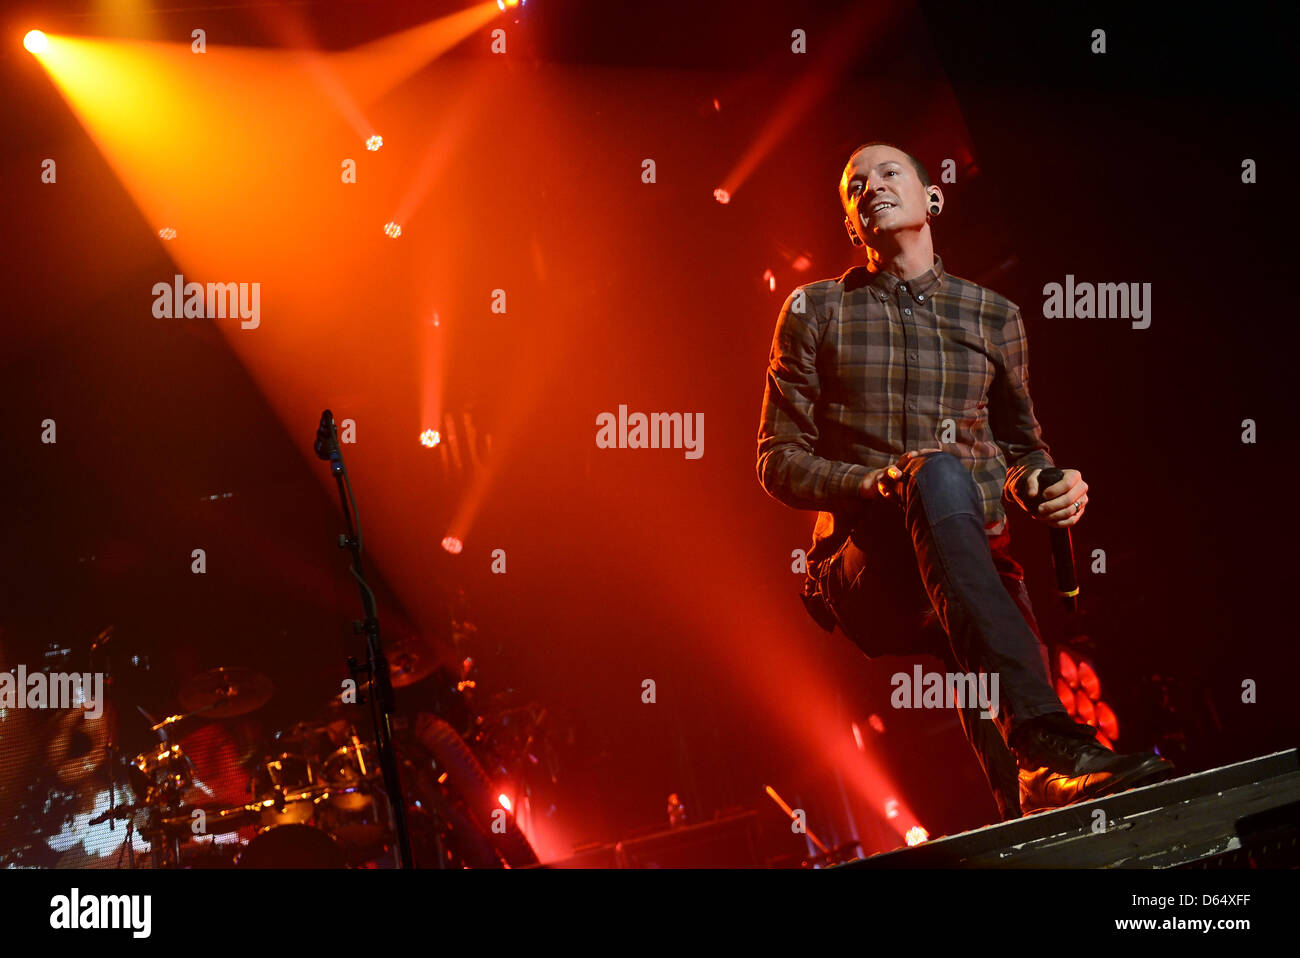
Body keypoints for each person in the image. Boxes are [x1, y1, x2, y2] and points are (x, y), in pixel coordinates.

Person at [755, 141, 1174, 821]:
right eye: (854, 186)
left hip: (971, 549)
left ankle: (1027, 800)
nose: (870, 186)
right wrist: (875, 483)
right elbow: (776, 459)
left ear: (933, 197)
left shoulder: (995, 317)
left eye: (889, 172)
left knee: (987, 607)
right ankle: (1047, 739)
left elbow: (1019, 447)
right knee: (939, 476)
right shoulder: (815, 310)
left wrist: (1047, 484)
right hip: (866, 569)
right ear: (851, 225)